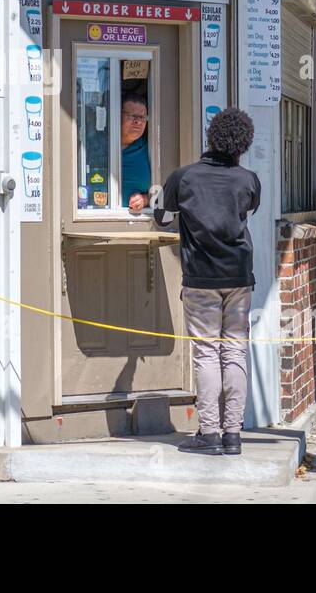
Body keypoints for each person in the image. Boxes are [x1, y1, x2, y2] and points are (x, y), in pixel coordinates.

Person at [154, 107, 260, 457]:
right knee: (234, 352)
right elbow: (247, 210)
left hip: (201, 277)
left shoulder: (183, 177)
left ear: (211, 136)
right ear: (242, 145)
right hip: (239, 276)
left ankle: (210, 432)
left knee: (206, 352)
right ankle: (233, 433)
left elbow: (161, 216)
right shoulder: (248, 180)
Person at [121, 95, 153, 212]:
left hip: (133, 220)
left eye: (142, 117)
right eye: (132, 116)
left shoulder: (150, 149)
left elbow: (163, 193)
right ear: (118, 116)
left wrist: (145, 199)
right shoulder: (96, 146)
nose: (138, 121)